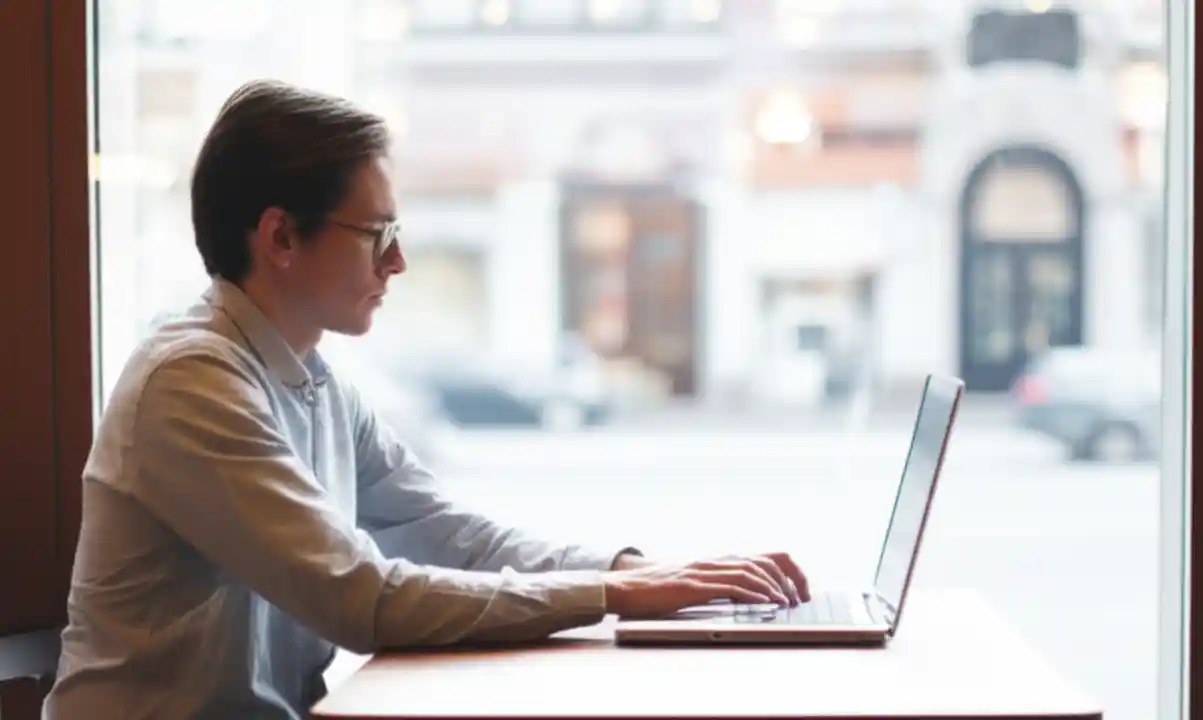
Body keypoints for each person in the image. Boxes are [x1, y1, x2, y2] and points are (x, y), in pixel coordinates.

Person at [44, 79, 810, 719]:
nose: (399, 261)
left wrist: (642, 570)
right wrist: (614, 592)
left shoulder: (313, 380)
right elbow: (362, 600)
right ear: (280, 238)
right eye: (377, 233)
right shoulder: (191, 383)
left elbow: (448, 534)